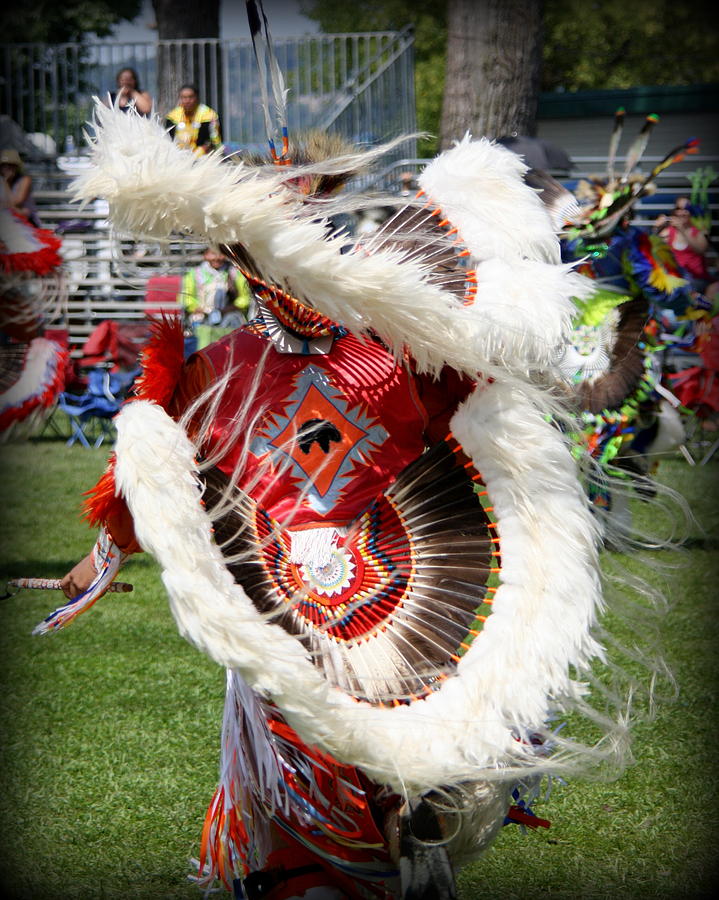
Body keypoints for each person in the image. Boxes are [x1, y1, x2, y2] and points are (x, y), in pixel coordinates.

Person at [43, 99, 629, 900]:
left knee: (404, 739)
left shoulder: (394, 352)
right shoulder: (215, 368)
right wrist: (102, 557)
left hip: (389, 582)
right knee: (302, 744)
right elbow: (154, 480)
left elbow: (486, 389)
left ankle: (412, 835)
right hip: (270, 593)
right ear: (239, 255)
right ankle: (315, 871)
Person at [181, 246, 252, 351]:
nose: (217, 258)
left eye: (221, 254)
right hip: (201, 319)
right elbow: (185, 298)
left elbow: (245, 298)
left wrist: (228, 309)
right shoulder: (194, 274)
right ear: (205, 255)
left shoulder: (235, 273)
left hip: (230, 318)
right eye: (213, 254)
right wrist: (201, 309)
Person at [654, 199, 714, 292]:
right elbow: (654, 249)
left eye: (686, 209)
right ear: (674, 211)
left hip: (697, 280)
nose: (681, 212)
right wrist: (656, 228)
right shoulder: (668, 231)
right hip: (675, 279)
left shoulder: (699, 231)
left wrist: (682, 229)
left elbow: (700, 250)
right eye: (678, 208)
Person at [165, 84, 222, 156]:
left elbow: (215, 141)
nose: (187, 101)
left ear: (197, 98)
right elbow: (168, 139)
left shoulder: (209, 115)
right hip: (177, 155)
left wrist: (200, 152)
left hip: (203, 157)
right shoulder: (173, 116)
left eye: (190, 97)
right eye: (184, 97)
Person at [1, 149, 40, 226]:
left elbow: (16, 202)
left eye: (11, 165)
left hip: (27, 222)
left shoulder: (25, 179)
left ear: (17, 167)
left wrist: (5, 182)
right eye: (4, 165)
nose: (7, 168)